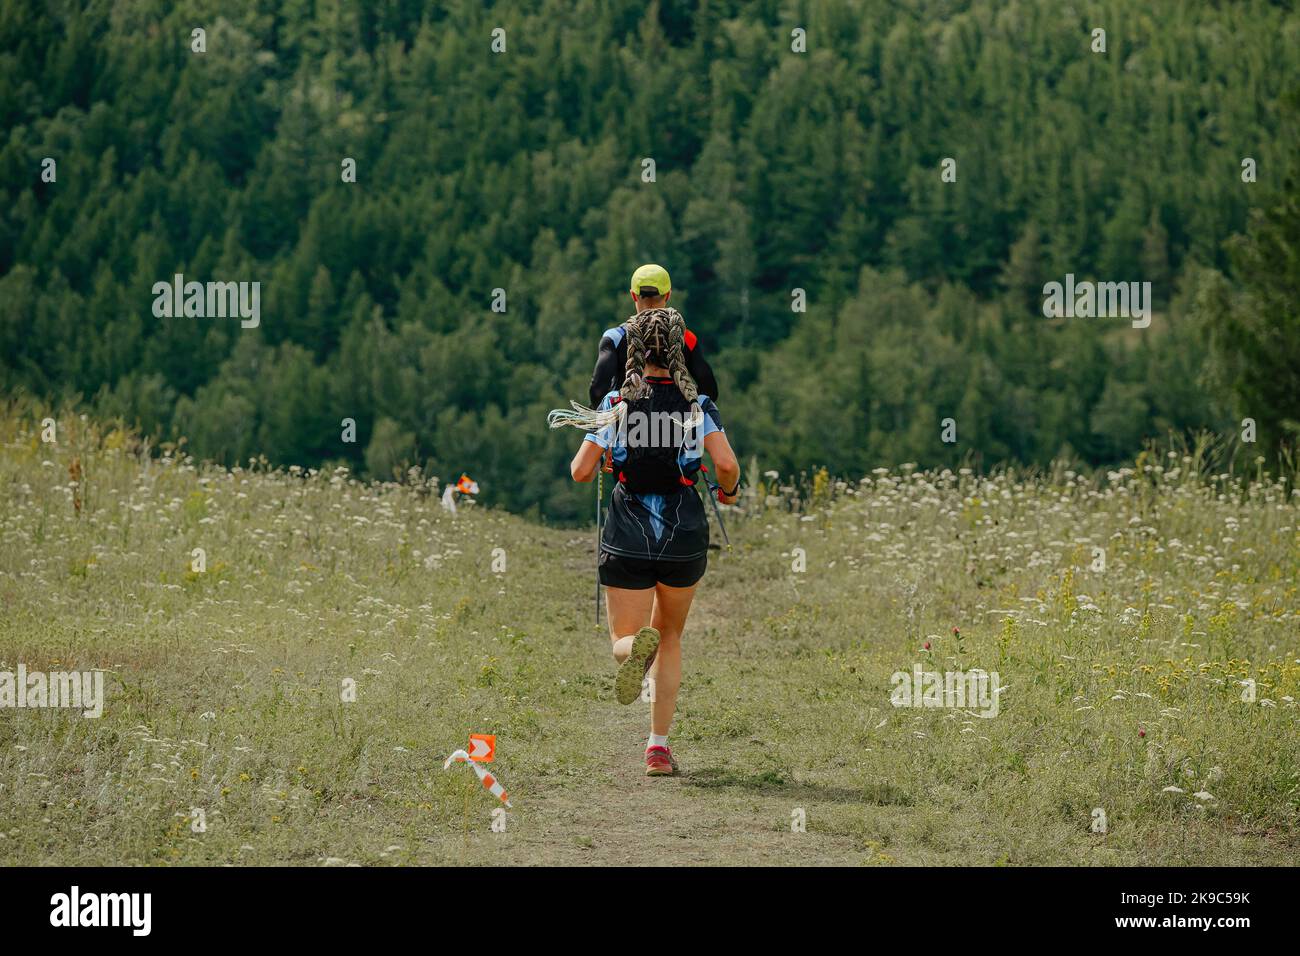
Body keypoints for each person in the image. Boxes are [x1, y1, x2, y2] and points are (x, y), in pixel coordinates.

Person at [550, 300, 740, 777]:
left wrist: (610, 454)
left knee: (626, 637)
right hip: (683, 534)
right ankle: (658, 749)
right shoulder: (699, 406)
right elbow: (727, 466)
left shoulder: (615, 404)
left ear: (633, 348)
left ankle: (633, 652)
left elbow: (579, 472)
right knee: (671, 636)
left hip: (628, 530)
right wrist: (729, 493)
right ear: (679, 348)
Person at [588, 264, 719, 409]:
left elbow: (598, 388)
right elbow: (709, 388)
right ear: (668, 294)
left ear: (633, 295)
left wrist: (601, 416)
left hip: (626, 421)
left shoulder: (616, 337)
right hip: (675, 422)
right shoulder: (686, 338)